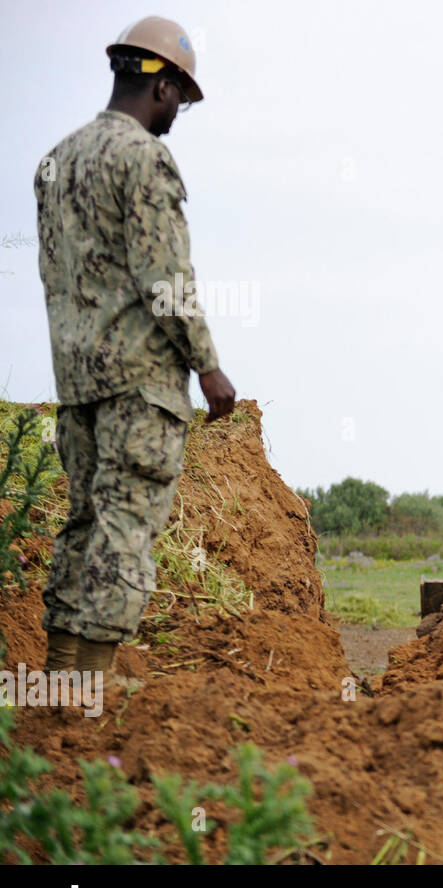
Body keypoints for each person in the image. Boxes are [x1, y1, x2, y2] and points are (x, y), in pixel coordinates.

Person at [34, 16, 236, 678]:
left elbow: (58, 276)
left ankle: (59, 697)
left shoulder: (56, 163)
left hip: (77, 386)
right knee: (124, 536)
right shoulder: (143, 159)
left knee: (83, 526)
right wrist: (207, 366)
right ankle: (85, 707)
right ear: (166, 88)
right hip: (138, 387)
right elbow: (165, 279)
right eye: (182, 97)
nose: (179, 112)